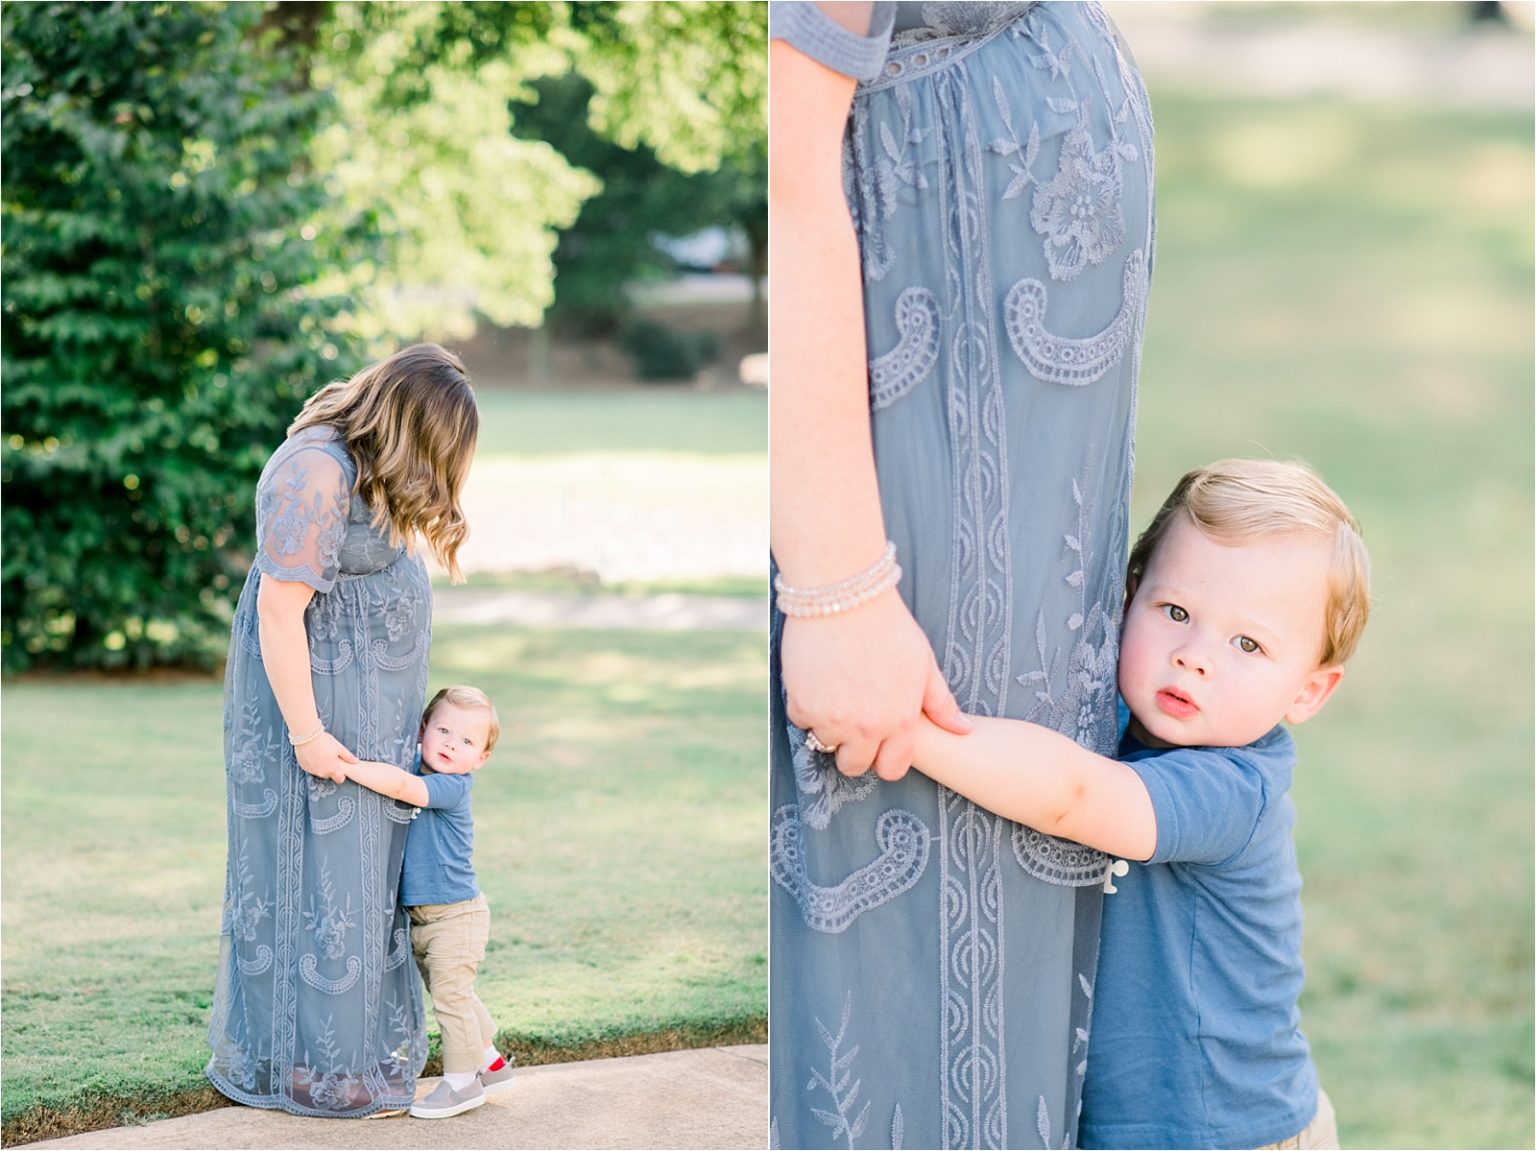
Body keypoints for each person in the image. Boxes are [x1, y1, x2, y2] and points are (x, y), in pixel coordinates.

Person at [769, 2, 1154, 1146]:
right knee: (918, 849)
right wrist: (838, 585)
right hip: (922, 281)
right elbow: (787, 165)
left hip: (1012, 249)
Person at [907, 459, 1368, 1150]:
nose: (1195, 656)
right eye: (1177, 611)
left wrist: (904, 727)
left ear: (1308, 691)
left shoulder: (1238, 787)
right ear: (1128, 596)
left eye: (1248, 643)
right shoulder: (1114, 717)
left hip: (1232, 1132)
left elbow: (1074, 795)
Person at [206, 343, 478, 1118]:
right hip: (313, 726)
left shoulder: (363, 463)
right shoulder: (316, 468)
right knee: (308, 880)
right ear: (406, 425)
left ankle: (343, 1060)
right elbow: (278, 608)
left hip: (369, 726)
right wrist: (307, 735)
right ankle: (307, 1065)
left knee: (359, 885)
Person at [339, 685, 515, 1120]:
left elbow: (400, 785)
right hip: (427, 918)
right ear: (422, 731)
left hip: (457, 914)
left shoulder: (451, 787)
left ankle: (461, 1085)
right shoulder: (421, 769)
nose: (452, 744)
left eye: (468, 741)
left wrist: (345, 765)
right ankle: (490, 1062)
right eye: (444, 730)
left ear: (481, 759)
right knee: (454, 992)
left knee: (450, 999)